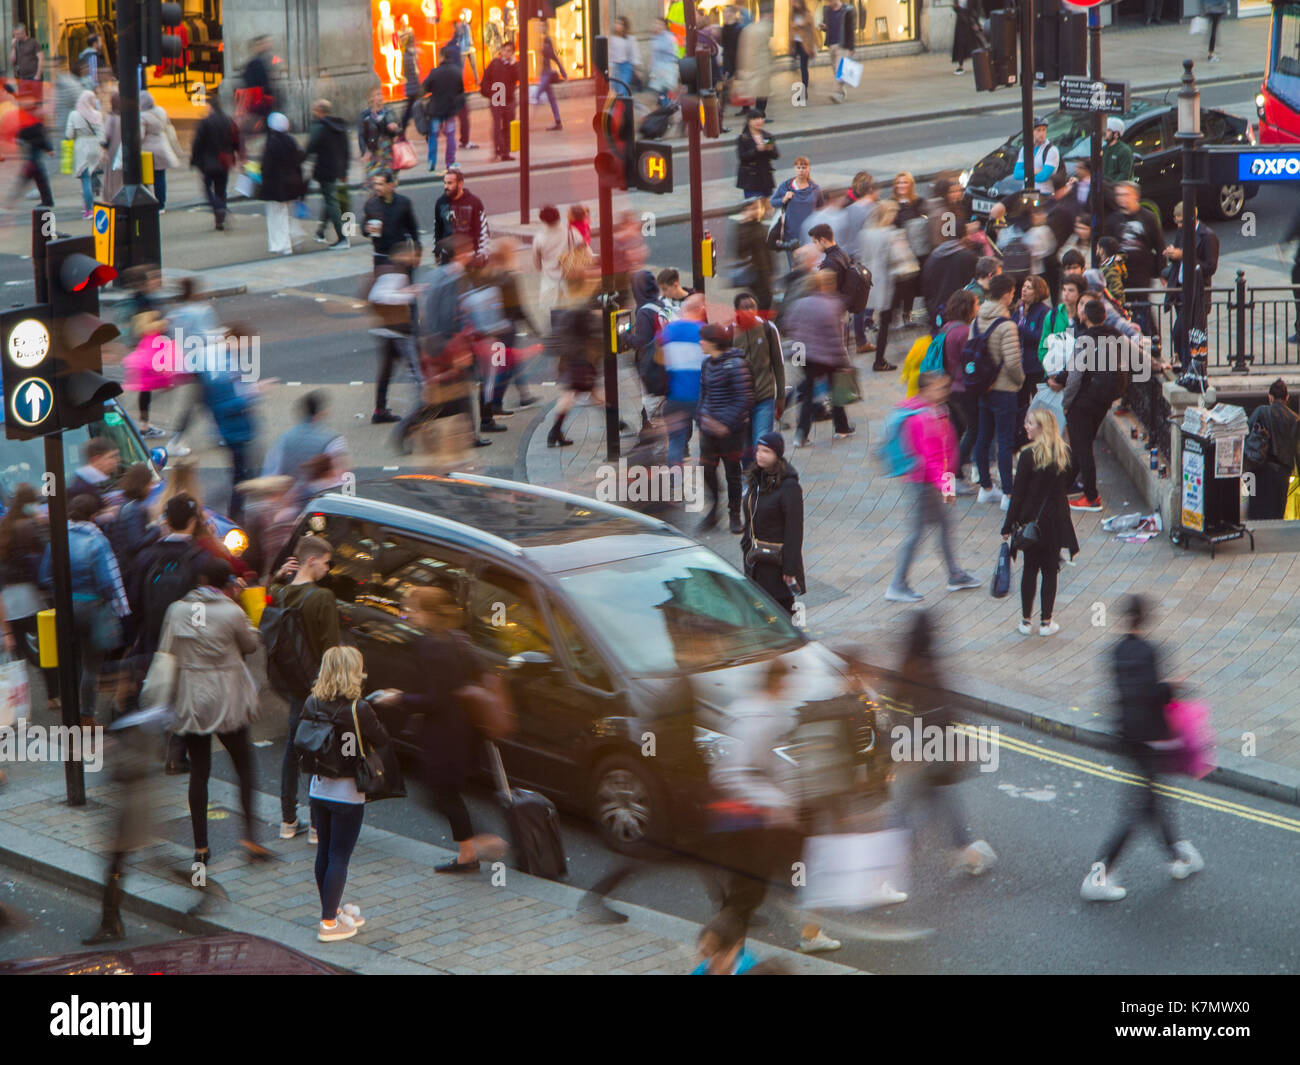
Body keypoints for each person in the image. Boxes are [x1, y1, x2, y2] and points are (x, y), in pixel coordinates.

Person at [371, 587, 506, 873]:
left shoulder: (431, 646)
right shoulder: (455, 639)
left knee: (439, 793)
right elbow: (474, 675)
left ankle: (482, 843)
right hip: (462, 730)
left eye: (413, 609)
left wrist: (399, 698)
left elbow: (436, 698)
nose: (407, 615)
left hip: (443, 733)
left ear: (429, 614)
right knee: (445, 793)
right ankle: (469, 852)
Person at [1082, 595, 1203, 902]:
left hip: (1127, 738)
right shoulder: (1150, 651)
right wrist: (1172, 686)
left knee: (1151, 801)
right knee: (1138, 809)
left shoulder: (1117, 651)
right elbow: (1152, 694)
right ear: (1146, 619)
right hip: (1149, 739)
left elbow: (1127, 692)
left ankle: (1178, 857)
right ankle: (1099, 874)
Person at [162, 554, 266, 865]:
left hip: (194, 698)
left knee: (199, 772)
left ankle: (201, 848)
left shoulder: (177, 610)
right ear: (227, 584)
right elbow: (250, 645)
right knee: (244, 767)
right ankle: (250, 839)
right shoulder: (232, 611)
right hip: (228, 698)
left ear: (201, 581)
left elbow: (167, 651)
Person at [893, 610, 997, 873]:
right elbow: (947, 711)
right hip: (936, 748)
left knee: (932, 798)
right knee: (937, 799)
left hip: (918, 746)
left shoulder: (906, 664)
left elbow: (897, 706)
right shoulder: (931, 668)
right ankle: (960, 850)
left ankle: (960, 849)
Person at [304, 645, 391, 940]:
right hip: (347, 791)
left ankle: (333, 911)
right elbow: (381, 739)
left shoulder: (312, 702)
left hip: (318, 787)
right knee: (339, 856)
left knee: (325, 853)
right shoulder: (359, 708)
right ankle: (329, 924)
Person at [885, 373, 983, 602]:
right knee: (917, 532)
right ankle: (898, 585)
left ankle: (954, 574)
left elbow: (946, 451)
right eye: (939, 387)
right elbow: (930, 459)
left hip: (931, 482)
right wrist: (947, 487)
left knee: (943, 525)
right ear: (926, 389)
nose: (944, 391)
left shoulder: (936, 410)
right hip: (923, 484)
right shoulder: (921, 418)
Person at [269, 535, 341, 842]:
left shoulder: (281, 593)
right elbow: (332, 650)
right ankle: (316, 826)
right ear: (311, 560)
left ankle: (288, 820)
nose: (328, 569)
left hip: (292, 685)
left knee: (292, 749)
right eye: (326, 562)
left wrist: (276, 577)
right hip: (319, 686)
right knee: (319, 751)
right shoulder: (322, 598)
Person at [39, 495, 128, 726]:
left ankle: (71, 714)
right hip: (93, 606)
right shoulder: (97, 541)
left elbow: (45, 576)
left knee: (72, 662)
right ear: (92, 516)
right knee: (91, 665)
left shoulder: (57, 539)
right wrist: (111, 602)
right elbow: (107, 582)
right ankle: (87, 716)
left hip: (66, 606)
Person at [1001, 408, 1078, 637]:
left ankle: (1026, 621)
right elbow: (1069, 483)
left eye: (1031, 423)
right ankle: (1046, 622)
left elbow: (1018, 495)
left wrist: (1008, 525)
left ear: (1042, 428)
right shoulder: (1064, 453)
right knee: (1050, 570)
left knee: (1030, 569)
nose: (1026, 426)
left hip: (1030, 522)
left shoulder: (1027, 456)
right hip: (1055, 521)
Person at [0, 485, 57, 711]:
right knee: (47, 649)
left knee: (18, 651)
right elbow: (43, 557)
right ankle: (53, 695)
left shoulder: (4, 525)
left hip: (8, 600)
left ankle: (20, 702)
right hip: (30, 597)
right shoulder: (29, 526)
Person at [972, 274, 1025, 508]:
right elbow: (1013, 363)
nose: (1013, 296)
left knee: (983, 437)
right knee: (1004, 441)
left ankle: (985, 487)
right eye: (1012, 292)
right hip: (1004, 390)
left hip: (982, 387)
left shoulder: (977, 319)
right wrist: (1020, 381)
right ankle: (1008, 494)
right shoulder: (1007, 325)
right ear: (1006, 294)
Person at [1066, 299, 1123, 513]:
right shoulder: (1115, 334)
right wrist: (1157, 364)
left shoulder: (1084, 339)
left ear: (1084, 317)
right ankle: (1064, 486)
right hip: (1104, 400)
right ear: (1104, 316)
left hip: (1083, 400)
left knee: (1082, 448)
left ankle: (1091, 497)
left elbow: (1074, 377)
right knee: (1082, 444)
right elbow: (1137, 356)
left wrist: (1066, 403)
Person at [696, 323, 753, 534]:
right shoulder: (706, 364)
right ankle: (714, 509)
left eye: (703, 339)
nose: (700, 342)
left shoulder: (737, 365)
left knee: (732, 473)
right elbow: (704, 393)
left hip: (731, 431)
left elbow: (745, 399)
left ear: (713, 342)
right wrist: (701, 418)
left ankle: (734, 514)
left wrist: (724, 424)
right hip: (709, 429)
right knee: (706, 469)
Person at [787, 270, 855, 446]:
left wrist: (797, 358)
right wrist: (844, 362)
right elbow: (836, 338)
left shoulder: (799, 304)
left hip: (805, 355)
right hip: (826, 356)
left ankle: (800, 435)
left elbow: (790, 327)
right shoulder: (833, 305)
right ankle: (841, 428)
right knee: (836, 392)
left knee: (808, 394)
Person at [740, 432, 804, 613]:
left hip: (776, 564)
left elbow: (794, 530)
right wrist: (745, 544)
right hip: (755, 560)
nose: (760, 454)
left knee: (780, 612)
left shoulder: (789, 487)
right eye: (759, 450)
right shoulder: (756, 479)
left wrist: (790, 568)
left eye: (766, 451)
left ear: (777, 454)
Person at [1164, 202, 1220, 374]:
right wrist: (1173, 254)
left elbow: (1210, 267)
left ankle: (1193, 367)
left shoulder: (1207, 236)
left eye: (1181, 221)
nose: (1179, 226)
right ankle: (1185, 365)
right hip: (1180, 290)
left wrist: (1185, 255)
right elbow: (1178, 259)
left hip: (1197, 294)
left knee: (1184, 332)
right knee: (1182, 333)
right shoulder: (1182, 233)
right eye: (1177, 222)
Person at [733, 292, 783, 462]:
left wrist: (781, 396)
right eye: (744, 307)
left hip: (765, 398)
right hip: (740, 402)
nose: (749, 310)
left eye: (752, 306)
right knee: (745, 446)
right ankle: (749, 482)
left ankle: (762, 482)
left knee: (761, 443)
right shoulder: (730, 333)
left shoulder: (768, 329)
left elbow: (778, 364)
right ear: (737, 311)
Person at [660, 293, 708, 466]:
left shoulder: (669, 330)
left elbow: (661, 361)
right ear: (700, 309)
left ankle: (674, 483)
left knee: (676, 441)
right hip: (699, 397)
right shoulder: (703, 331)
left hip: (674, 396)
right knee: (707, 440)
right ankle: (708, 476)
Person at [939, 290, 980, 484]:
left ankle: (950, 472)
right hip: (964, 388)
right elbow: (970, 362)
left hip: (949, 387)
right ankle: (955, 471)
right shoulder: (964, 332)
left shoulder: (947, 327)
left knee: (956, 431)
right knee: (974, 429)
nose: (978, 308)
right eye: (976, 304)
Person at [858, 199, 904, 372]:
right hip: (886, 281)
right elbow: (895, 259)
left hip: (870, 281)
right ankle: (879, 360)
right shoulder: (889, 233)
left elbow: (862, 257)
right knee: (885, 321)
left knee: (883, 319)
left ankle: (880, 357)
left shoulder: (865, 233)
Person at [262, 390, 350, 479]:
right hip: (321, 492)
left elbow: (271, 474)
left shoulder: (284, 439)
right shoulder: (334, 440)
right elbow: (340, 475)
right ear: (323, 413)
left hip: (291, 491)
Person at [1246, 380, 1300, 520]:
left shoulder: (1261, 411)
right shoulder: (1295, 419)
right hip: (1282, 473)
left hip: (1261, 470)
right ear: (1287, 398)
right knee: (1277, 513)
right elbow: (1297, 450)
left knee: (1257, 512)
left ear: (1270, 397)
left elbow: (1247, 433)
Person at [190, 93, 242, 231]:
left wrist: (194, 160)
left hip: (208, 162)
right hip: (224, 160)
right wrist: (239, 156)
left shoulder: (205, 123)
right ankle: (220, 218)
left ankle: (218, 209)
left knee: (207, 189)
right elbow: (236, 141)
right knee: (221, 190)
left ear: (211, 107)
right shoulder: (229, 121)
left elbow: (197, 143)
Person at [305, 99, 351, 250]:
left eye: (315, 110)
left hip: (324, 169)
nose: (313, 113)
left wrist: (297, 160)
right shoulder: (340, 126)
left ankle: (342, 238)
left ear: (319, 111)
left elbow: (310, 148)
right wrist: (344, 170)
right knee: (329, 199)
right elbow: (346, 150)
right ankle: (321, 232)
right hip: (337, 169)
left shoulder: (319, 127)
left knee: (331, 201)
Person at [259, 112, 305, 256]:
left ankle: (282, 245)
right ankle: (294, 238)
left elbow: (267, 166)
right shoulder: (291, 140)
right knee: (287, 213)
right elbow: (299, 160)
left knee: (276, 216)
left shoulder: (271, 142)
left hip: (275, 186)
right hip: (292, 183)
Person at [1014, 275, 1051, 445]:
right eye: (1023, 286)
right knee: (1020, 405)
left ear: (1037, 292)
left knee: (1037, 404)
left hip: (1034, 366)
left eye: (1029, 287)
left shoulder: (1043, 312)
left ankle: (1041, 438)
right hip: (1019, 366)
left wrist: (1021, 329)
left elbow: (1040, 336)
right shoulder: (1019, 309)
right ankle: (1022, 437)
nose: (1024, 290)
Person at [363, 169, 421, 267]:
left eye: (380, 184)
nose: (377, 187)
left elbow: (413, 229)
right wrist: (367, 229)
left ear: (390, 185)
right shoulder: (371, 204)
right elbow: (364, 228)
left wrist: (417, 252)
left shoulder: (404, 203)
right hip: (380, 256)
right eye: (375, 184)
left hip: (401, 256)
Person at [421, 44, 465, 173]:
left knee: (433, 136)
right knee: (450, 135)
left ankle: (431, 162)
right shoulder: (457, 71)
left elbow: (424, 88)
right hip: (450, 109)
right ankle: (450, 162)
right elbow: (460, 90)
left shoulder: (435, 72)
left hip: (436, 110)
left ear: (441, 57)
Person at [433, 165, 489, 259]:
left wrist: (481, 256)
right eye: (445, 183)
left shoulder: (474, 202)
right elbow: (437, 230)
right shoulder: (441, 203)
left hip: (469, 258)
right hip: (448, 257)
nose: (446, 186)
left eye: (450, 183)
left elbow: (482, 231)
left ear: (460, 184)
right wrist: (437, 253)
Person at [139, 92, 181, 211]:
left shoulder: (142, 116)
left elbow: (140, 136)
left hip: (148, 150)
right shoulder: (161, 111)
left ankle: (148, 202)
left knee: (145, 178)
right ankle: (161, 205)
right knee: (160, 177)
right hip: (162, 147)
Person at [773, 158, 819, 263]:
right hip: (792, 235)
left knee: (810, 265)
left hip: (810, 236)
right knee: (795, 266)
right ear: (795, 169)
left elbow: (820, 208)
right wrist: (783, 199)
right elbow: (773, 202)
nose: (801, 170)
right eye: (798, 167)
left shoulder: (815, 188)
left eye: (804, 167)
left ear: (808, 169)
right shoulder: (786, 186)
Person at [65, 91, 103, 219]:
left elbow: (69, 134)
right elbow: (102, 135)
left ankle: (89, 209)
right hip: (95, 146)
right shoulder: (97, 114)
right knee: (92, 176)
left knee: (85, 178)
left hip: (82, 147)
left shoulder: (74, 114)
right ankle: (89, 204)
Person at [481, 42, 519, 162]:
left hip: (509, 99)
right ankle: (498, 151)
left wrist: (514, 65)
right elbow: (485, 81)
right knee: (497, 126)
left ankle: (505, 153)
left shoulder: (514, 65)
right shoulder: (495, 63)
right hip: (497, 98)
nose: (506, 53)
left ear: (512, 53)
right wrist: (490, 93)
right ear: (501, 51)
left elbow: (519, 77)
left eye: (509, 51)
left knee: (507, 126)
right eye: (505, 50)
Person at [735, 110, 778, 210]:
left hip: (765, 177)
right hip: (751, 179)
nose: (759, 121)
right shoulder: (743, 138)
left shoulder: (767, 136)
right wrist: (757, 150)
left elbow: (775, 155)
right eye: (755, 119)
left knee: (767, 208)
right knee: (754, 208)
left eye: (761, 118)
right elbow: (742, 157)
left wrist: (770, 150)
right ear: (749, 121)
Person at [692, 910, 759, 974]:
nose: (712, 961)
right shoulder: (700, 972)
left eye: (722, 954)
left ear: (738, 946)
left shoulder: (751, 970)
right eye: (705, 953)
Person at [533, 204, 568, 322]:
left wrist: (540, 268)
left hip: (549, 274)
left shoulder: (540, 237)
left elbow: (536, 259)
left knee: (552, 306)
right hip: (568, 274)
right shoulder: (570, 232)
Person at [358, 85, 399, 179]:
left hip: (388, 152)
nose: (380, 97)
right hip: (373, 152)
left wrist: (394, 128)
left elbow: (397, 131)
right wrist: (364, 151)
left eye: (381, 94)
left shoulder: (389, 111)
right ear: (371, 98)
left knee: (388, 180)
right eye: (377, 94)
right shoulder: (365, 114)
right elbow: (361, 134)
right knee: (373, 179)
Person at [820, 0, 856, 104]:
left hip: (842, 44)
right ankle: (841, 92)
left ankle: (836, 93)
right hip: (831, 44)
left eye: (831, 1)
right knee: (836, 70)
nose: (829, 3)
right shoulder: (827, 11)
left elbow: (850, 30)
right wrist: (824, 27)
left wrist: (851, 47)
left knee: (839, 70)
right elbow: (827, 25)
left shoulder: (847, 11)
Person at [1013, 117, 1060, 196]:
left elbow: (1042, 177)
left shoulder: (1052, 150)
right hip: (1026, 192)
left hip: (1044, 193)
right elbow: (1016, 174)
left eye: (1044, 130)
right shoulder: (1025, 149)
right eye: (1038, 130)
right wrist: (1036, 171)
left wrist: (1026, 175)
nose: (1042, 133)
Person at [68, 437, 121, 505]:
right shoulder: (81, 488)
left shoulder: (106, 481)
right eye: (112, 457)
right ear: (96, 459)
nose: (118, 460)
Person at [535, 31, 565, 131]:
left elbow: (557, 62)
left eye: (546, 44)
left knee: (536, 96)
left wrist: (564, 74)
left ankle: (530, 120)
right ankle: (558, 121)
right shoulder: (547, 50)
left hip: (546, 76)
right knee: (551, 100)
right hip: (545, 75)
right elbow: (557, 62)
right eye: (544, 44)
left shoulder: (548, 51)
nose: (544, 46)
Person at [650, 18, 681, 108]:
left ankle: (667, 111)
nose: (657, 26)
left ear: (664, 26)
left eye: (659, 24)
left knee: (665, 92)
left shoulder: (669, 37)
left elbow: (675, 53)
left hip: (668, 68)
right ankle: (666, 110)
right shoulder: (655, 37)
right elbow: (654, 56)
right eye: (655, 24)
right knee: (661, 93)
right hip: (658, 69)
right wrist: (652, 70)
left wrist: (676, 67)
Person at [787, 0, 818, 93]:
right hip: (795, 44)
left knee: (803, 67)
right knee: (796, 65)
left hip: (805, 44)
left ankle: (804, 90)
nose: (794, 4)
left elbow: (813, 31)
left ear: (801, 3)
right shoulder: (792, 15)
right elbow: (789, 30)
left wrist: (814, 46)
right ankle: (800, 82)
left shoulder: (808, 15)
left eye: (796, 2)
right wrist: (790, 44)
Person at [609, 16, 641, 95]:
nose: (617, 25)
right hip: (615, 66)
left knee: (623, 89)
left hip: (626, 66)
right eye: (616, 23)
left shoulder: (630, 38)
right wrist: (610, 67)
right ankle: (620, 105)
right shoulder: (612, 38)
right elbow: (610, 54)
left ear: (624, 26)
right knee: (615, 88)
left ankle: (625, 105)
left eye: (620, 24)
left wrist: (637, 69)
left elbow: (635, 53)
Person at [9, 25, 43, 96]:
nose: (16, 36)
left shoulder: (33, 42)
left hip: (34, 77)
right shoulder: (16, 44)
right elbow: (12, 61)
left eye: (18, 34)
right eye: (15, 34)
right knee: (23, 101)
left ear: (24, 32)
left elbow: (41, 58)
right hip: (22, 78)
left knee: (36, 101)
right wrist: (13, 47)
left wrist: (38, 75)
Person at [952, 0, 982, 75]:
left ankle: (979, 63)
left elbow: (977, 9)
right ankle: (961, 65)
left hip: (970, 20)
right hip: (961, 21)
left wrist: (975, 22)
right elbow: (956, 8)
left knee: (974, 43)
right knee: (960, 43)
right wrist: (956, 7)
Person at [1101, 117, 1134, 184]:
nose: (1104, 133)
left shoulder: (1124, 150)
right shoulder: (1104, 149)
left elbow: (1125, 174)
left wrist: (1111, 186)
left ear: (1116, 134)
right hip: (1104, 188)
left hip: (1118, 189)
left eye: (1108, 130)